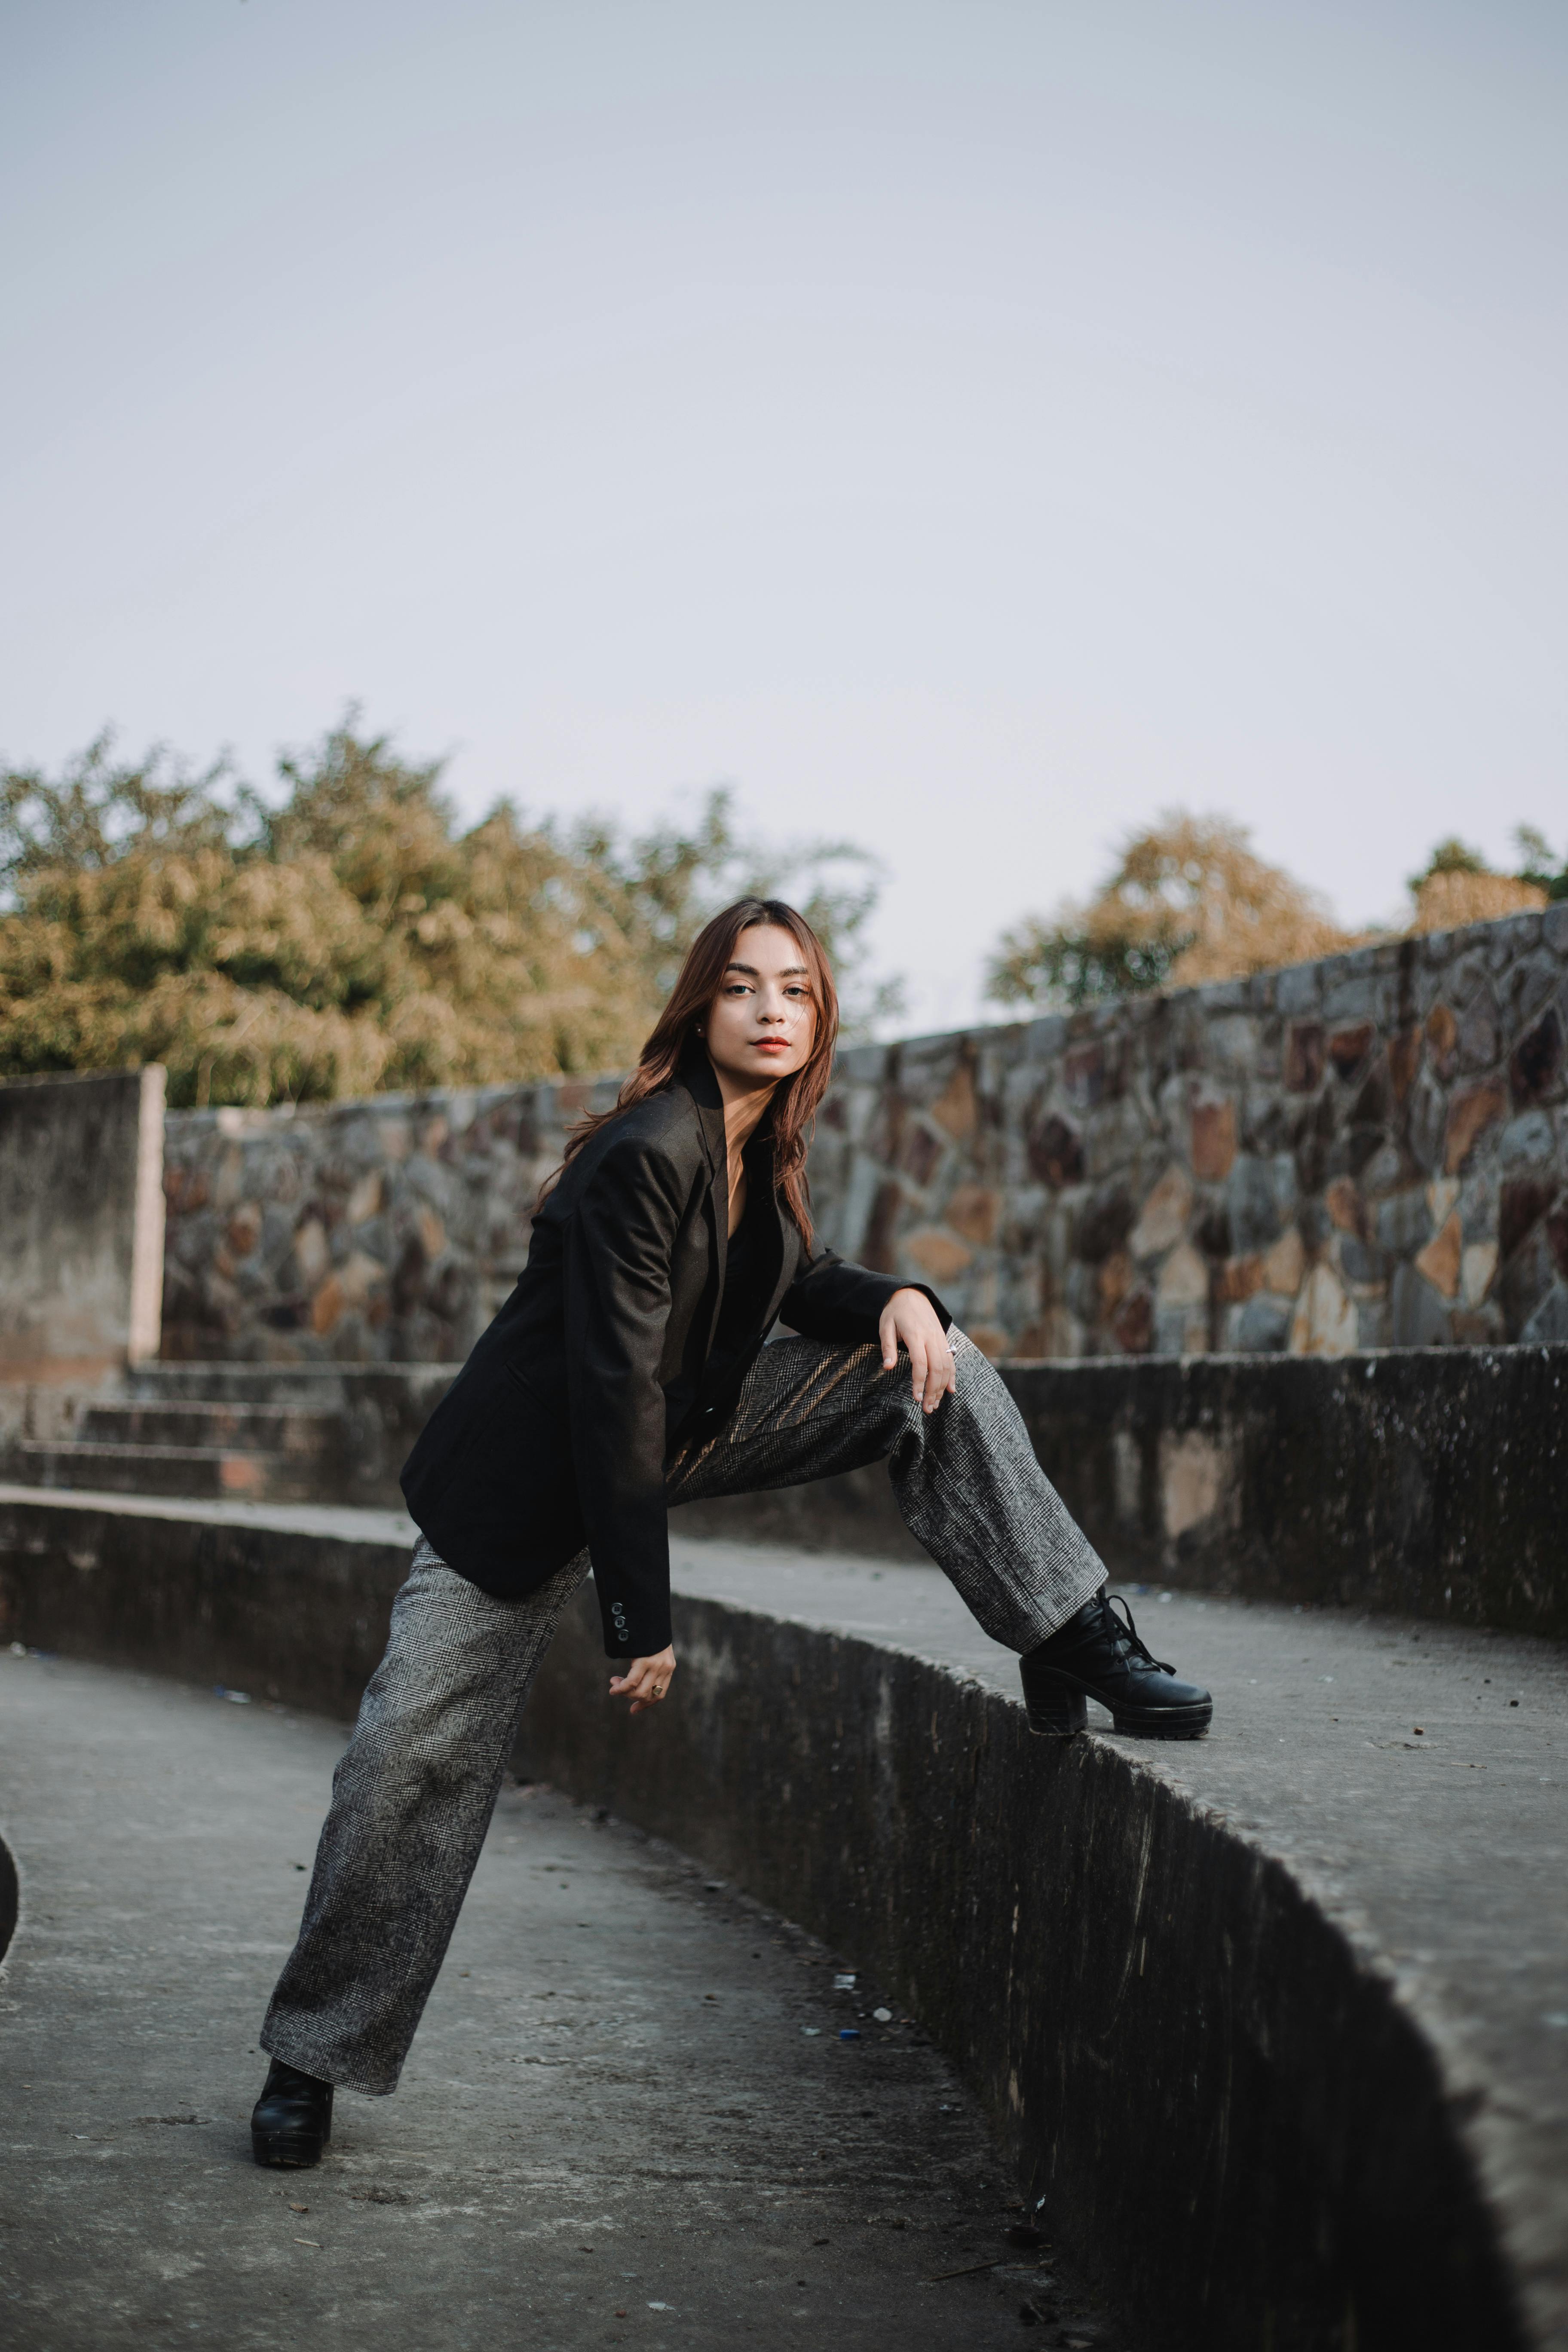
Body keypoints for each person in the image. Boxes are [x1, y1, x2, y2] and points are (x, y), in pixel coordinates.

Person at [250, 897, 1211, 2167]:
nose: (770, 1010)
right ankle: (309, 2056)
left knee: (938, 1365)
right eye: (745, 987)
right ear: (702, 1006)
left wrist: (905, 1296)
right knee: (401, 1766)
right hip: (525, 1487)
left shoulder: (763, 1146)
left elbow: (796, 1286)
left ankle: (1067, 1625)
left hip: (675, 1426)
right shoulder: (648, 1151)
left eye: (796, 991)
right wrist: (641, 1618)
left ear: (818, 1020)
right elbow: (608, 1397)